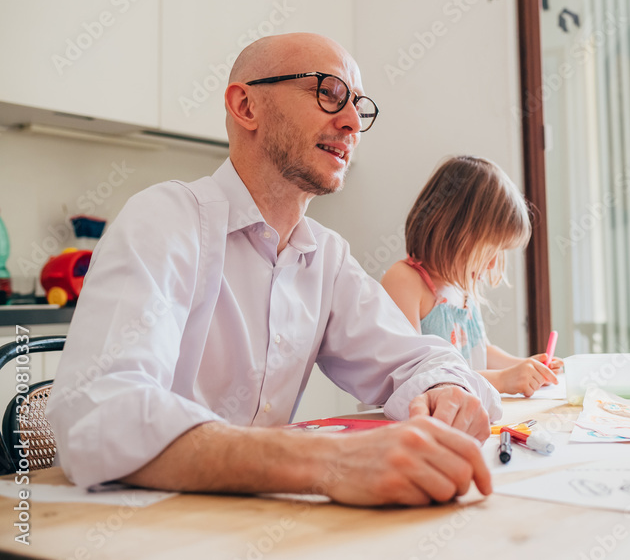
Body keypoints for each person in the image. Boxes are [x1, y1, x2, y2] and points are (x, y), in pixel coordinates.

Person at [46, 33, 502, 507]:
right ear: (246, 106)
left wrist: (446, 391)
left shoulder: (326, 256)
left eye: (359, 108)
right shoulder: (164, 220)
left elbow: (419, 357)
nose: (351, 123)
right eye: (328, 93)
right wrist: (330, 462)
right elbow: (99, 417)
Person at [381, 156, 563, 397]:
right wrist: (502, 380)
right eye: (489, 251)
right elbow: (414, 377)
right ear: (454, 233)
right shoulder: (405, 282)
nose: (491, 265)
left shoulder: (460, 287)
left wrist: (526, 366)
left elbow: (481, 352)